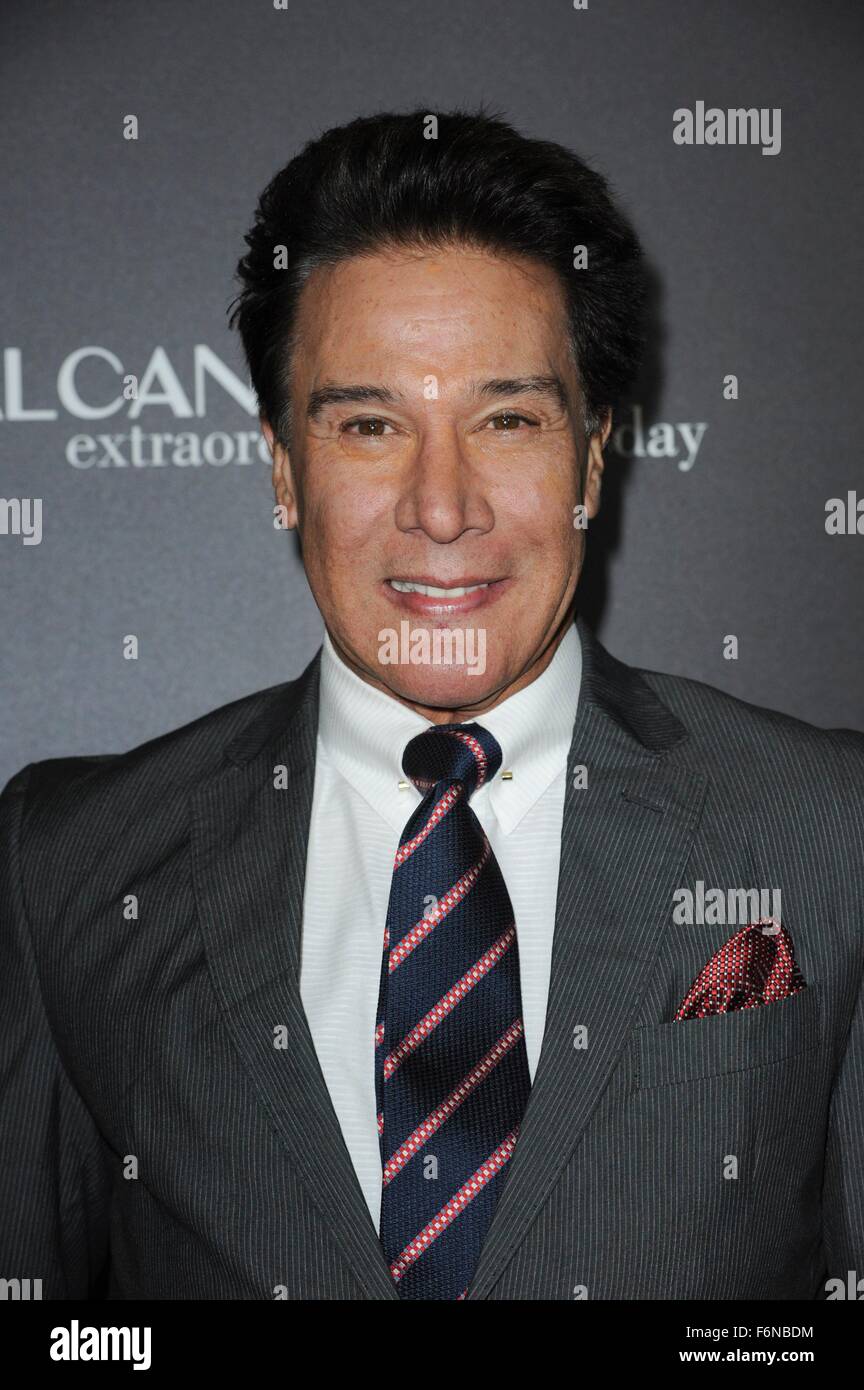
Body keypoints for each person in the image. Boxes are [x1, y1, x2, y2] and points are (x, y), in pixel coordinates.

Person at [1, 109, 861, 1301]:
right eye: (368, 425)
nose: (442, 506)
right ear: (282, 467)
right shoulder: (73, 863)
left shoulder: (826, 830)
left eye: (507, 419)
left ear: (595, 457)